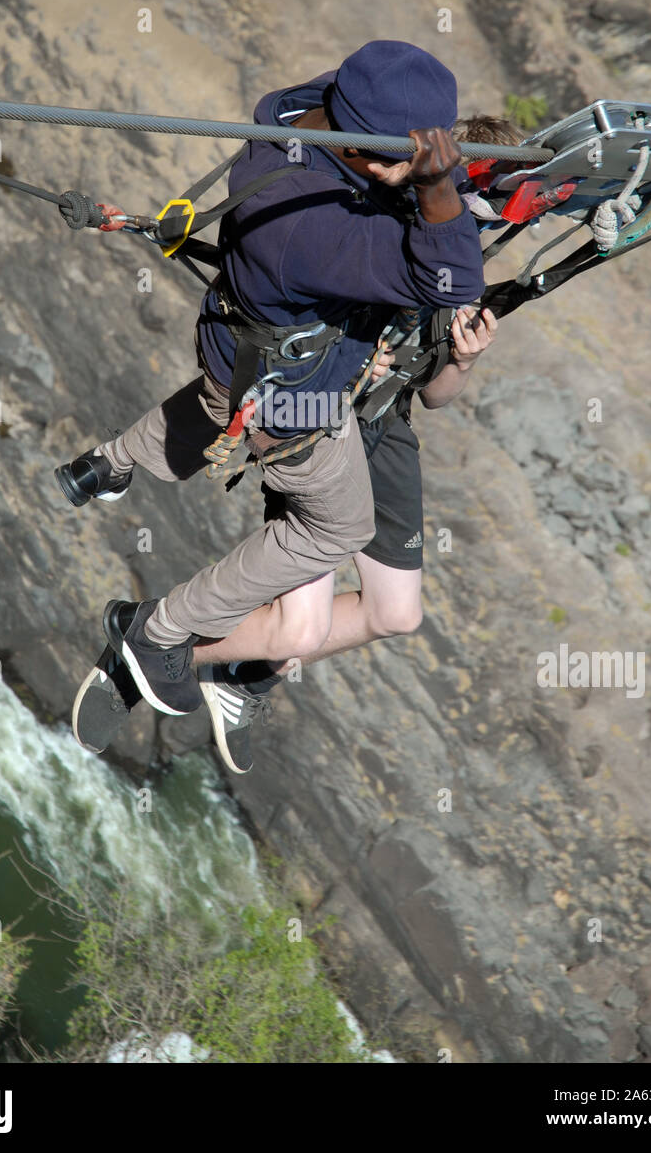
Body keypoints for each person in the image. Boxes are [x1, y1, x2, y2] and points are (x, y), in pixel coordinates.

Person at [62, 41, 486, 767]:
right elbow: (452, 281)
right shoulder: (310, 225)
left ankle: (113, 462)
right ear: (357, 149)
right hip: (293, 401)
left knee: (215, 401)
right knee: (337, 527)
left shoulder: (301, 113)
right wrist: (438, 187)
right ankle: (157, 632)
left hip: (241, 351)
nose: (407, 177)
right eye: (399, 164)